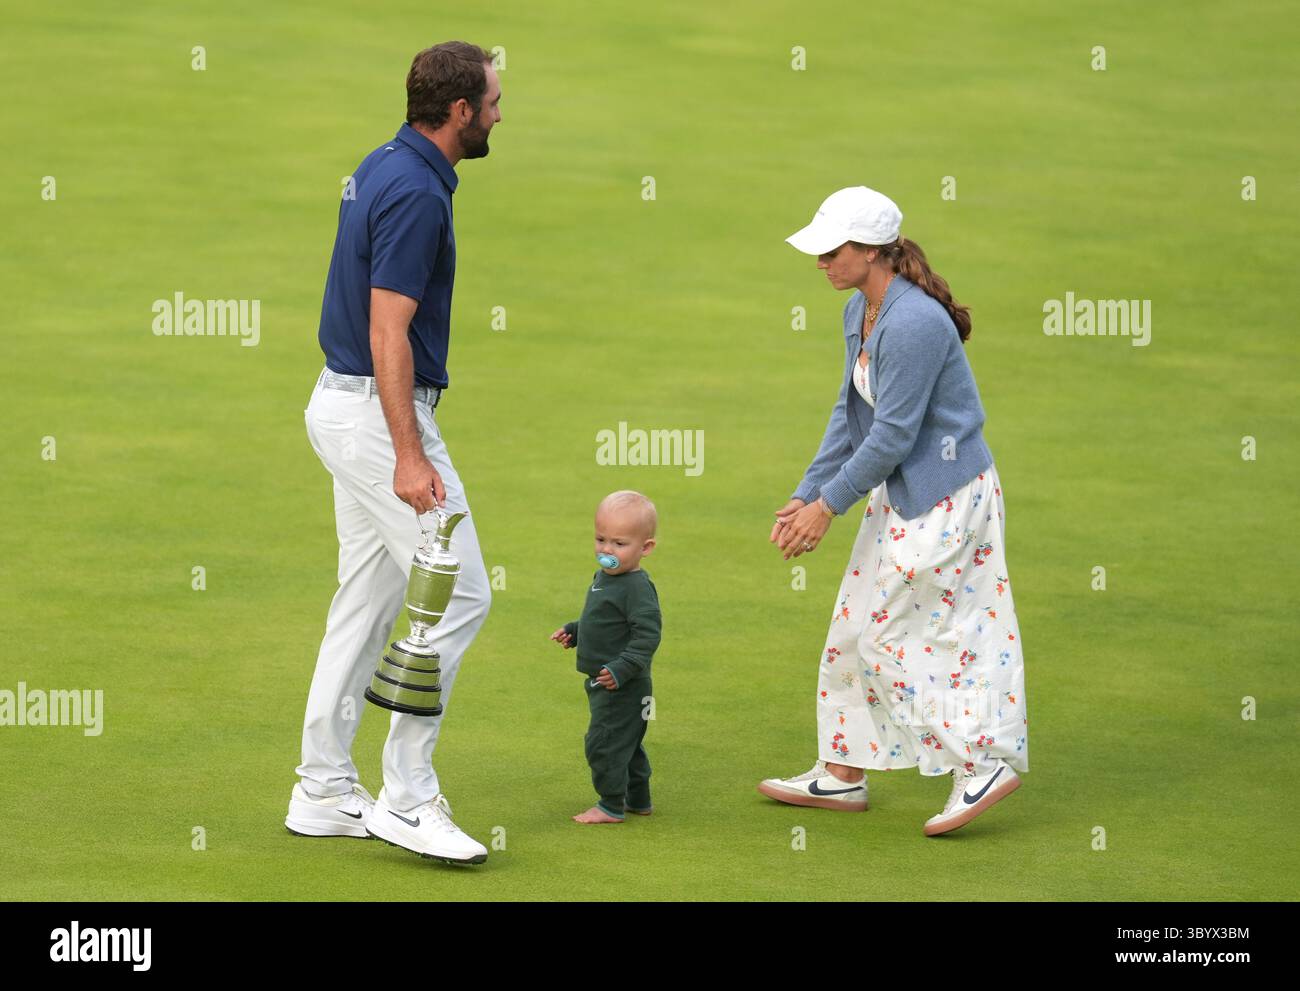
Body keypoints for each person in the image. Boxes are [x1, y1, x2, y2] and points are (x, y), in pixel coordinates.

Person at [284, 42, 502, 865]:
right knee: (461, 592)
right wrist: (409, 455)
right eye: (490, 101)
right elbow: (388, 327)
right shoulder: (415, 189)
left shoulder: (386, 161)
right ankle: (407, 795)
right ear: (457, 113)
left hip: (345, 406)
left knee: (369, 600)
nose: (498, 113)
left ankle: (324, 787)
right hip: (380, 415)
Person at [758, 186, 1029, 836]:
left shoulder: (911, 323)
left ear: (872, 251)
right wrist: (806, 490)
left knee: (894, 640)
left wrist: (827, 508)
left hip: (945, 498)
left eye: (833, 250)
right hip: (903, 496)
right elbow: (850, 414)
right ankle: (843, 769)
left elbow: (893, 435)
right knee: (855, 624)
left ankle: (981, 761)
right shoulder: (863, 309)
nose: (821, 261)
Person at [550, 491, 662, 824]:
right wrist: (576, 631)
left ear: (646, 548)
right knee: (627, 743)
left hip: (620, 685)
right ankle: (638, 799)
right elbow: (602, 619)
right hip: (606, 681)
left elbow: (647, 636)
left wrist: (621, 669)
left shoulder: (637, 588)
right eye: (601, 539)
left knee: (604, 742)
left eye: (619, 543)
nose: (606, 550)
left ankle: (610, 805)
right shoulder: (605, 578)